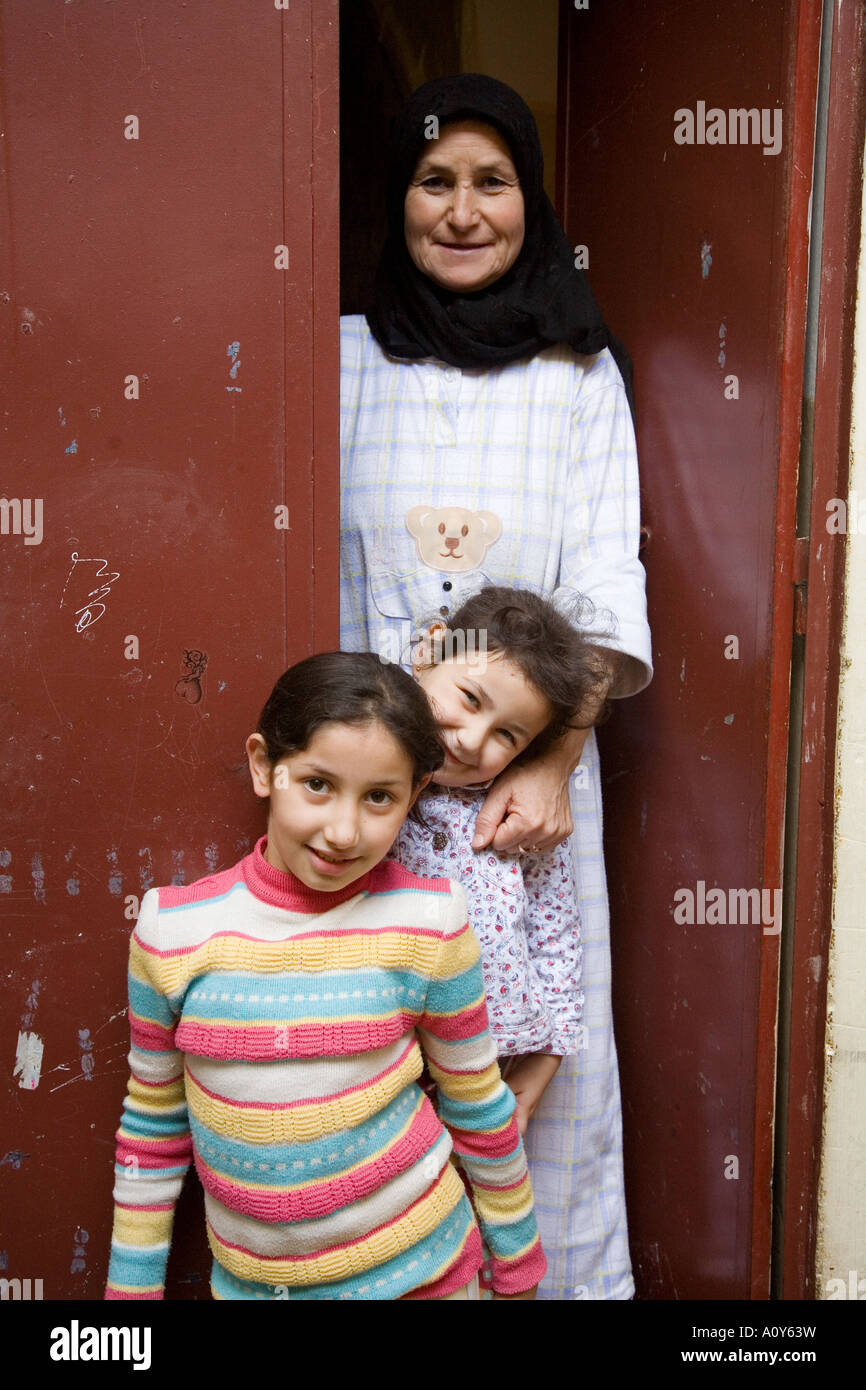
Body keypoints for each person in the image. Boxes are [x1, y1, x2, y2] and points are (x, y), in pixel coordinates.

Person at [340, 73, 653, 1299]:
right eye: (433, 181)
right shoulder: (342, 358)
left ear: (530, 200)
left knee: (540, 1092)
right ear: (395, 197)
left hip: (517, 816)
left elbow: (605, 600)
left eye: (491, 182)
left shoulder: (578, 378)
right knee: (370, 1086)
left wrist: (549, 765)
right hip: (365, 808)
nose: (462, 213)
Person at [104, 652, 546, 1301]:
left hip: (427, 1275)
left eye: (378, 798)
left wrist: (518, 1265)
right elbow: (152, 1129)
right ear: (264, 766)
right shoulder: (174, 934)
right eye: (317, 784)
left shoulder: (429, 924)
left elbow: (478, 1105)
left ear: (414, 795)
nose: (343, 831)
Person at [392, 586, 609, 1137]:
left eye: (507, 734)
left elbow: (556, 940)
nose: (470, 740)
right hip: (385, 1060)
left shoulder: (514, 822)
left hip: (492, 1066)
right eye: (469, 698)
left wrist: (546, 1059)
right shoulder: (374, 788)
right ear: (430, 650)